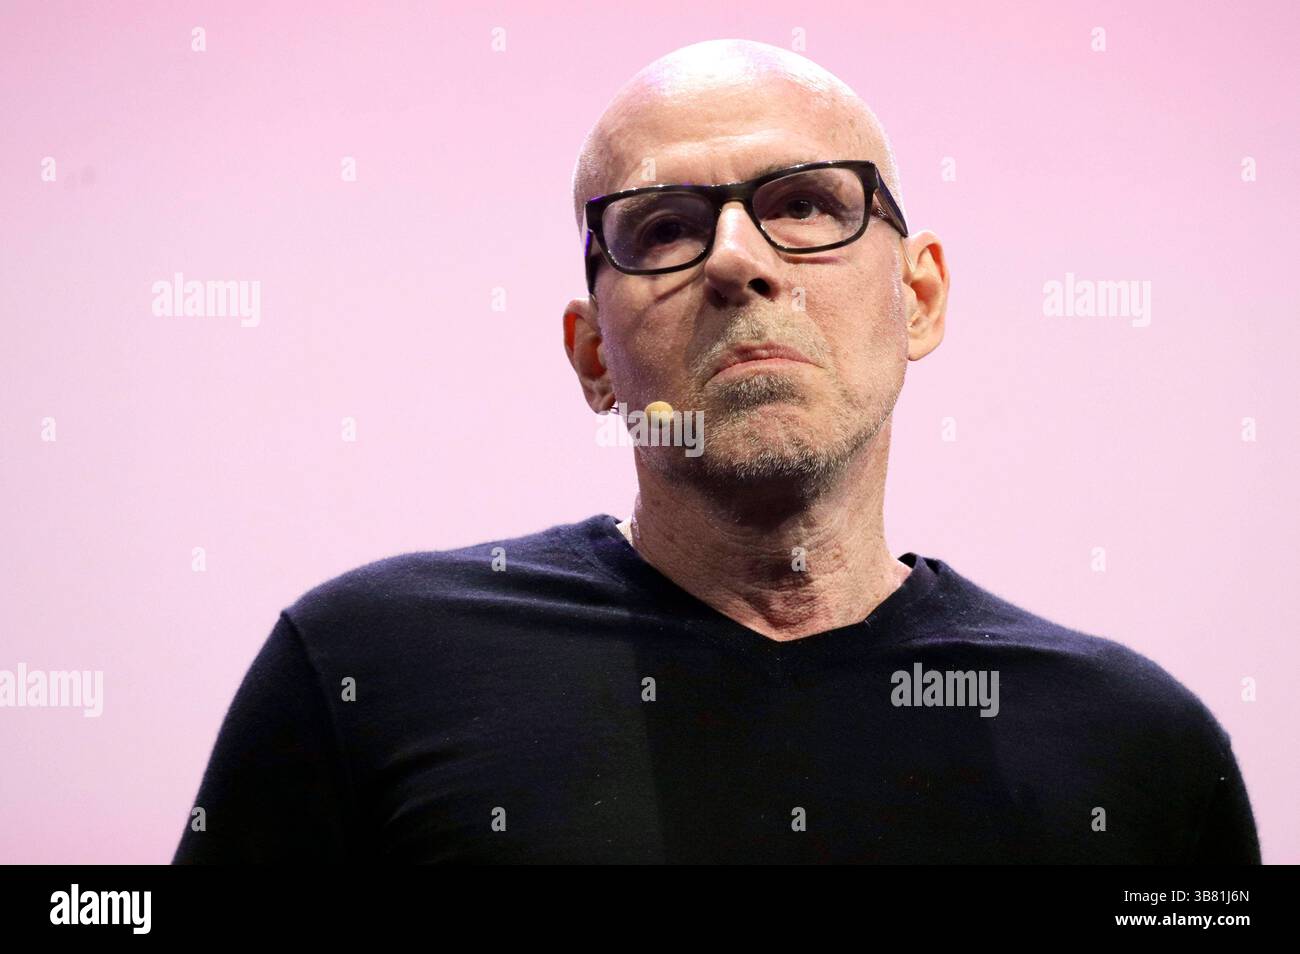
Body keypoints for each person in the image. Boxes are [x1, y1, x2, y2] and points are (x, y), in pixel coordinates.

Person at [173, 39, 1260, 864]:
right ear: (593, 353)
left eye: (804, 205)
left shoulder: (1139, 751)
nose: (737, 262)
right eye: (664, 228)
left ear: (918, 296)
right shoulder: (365, 671)